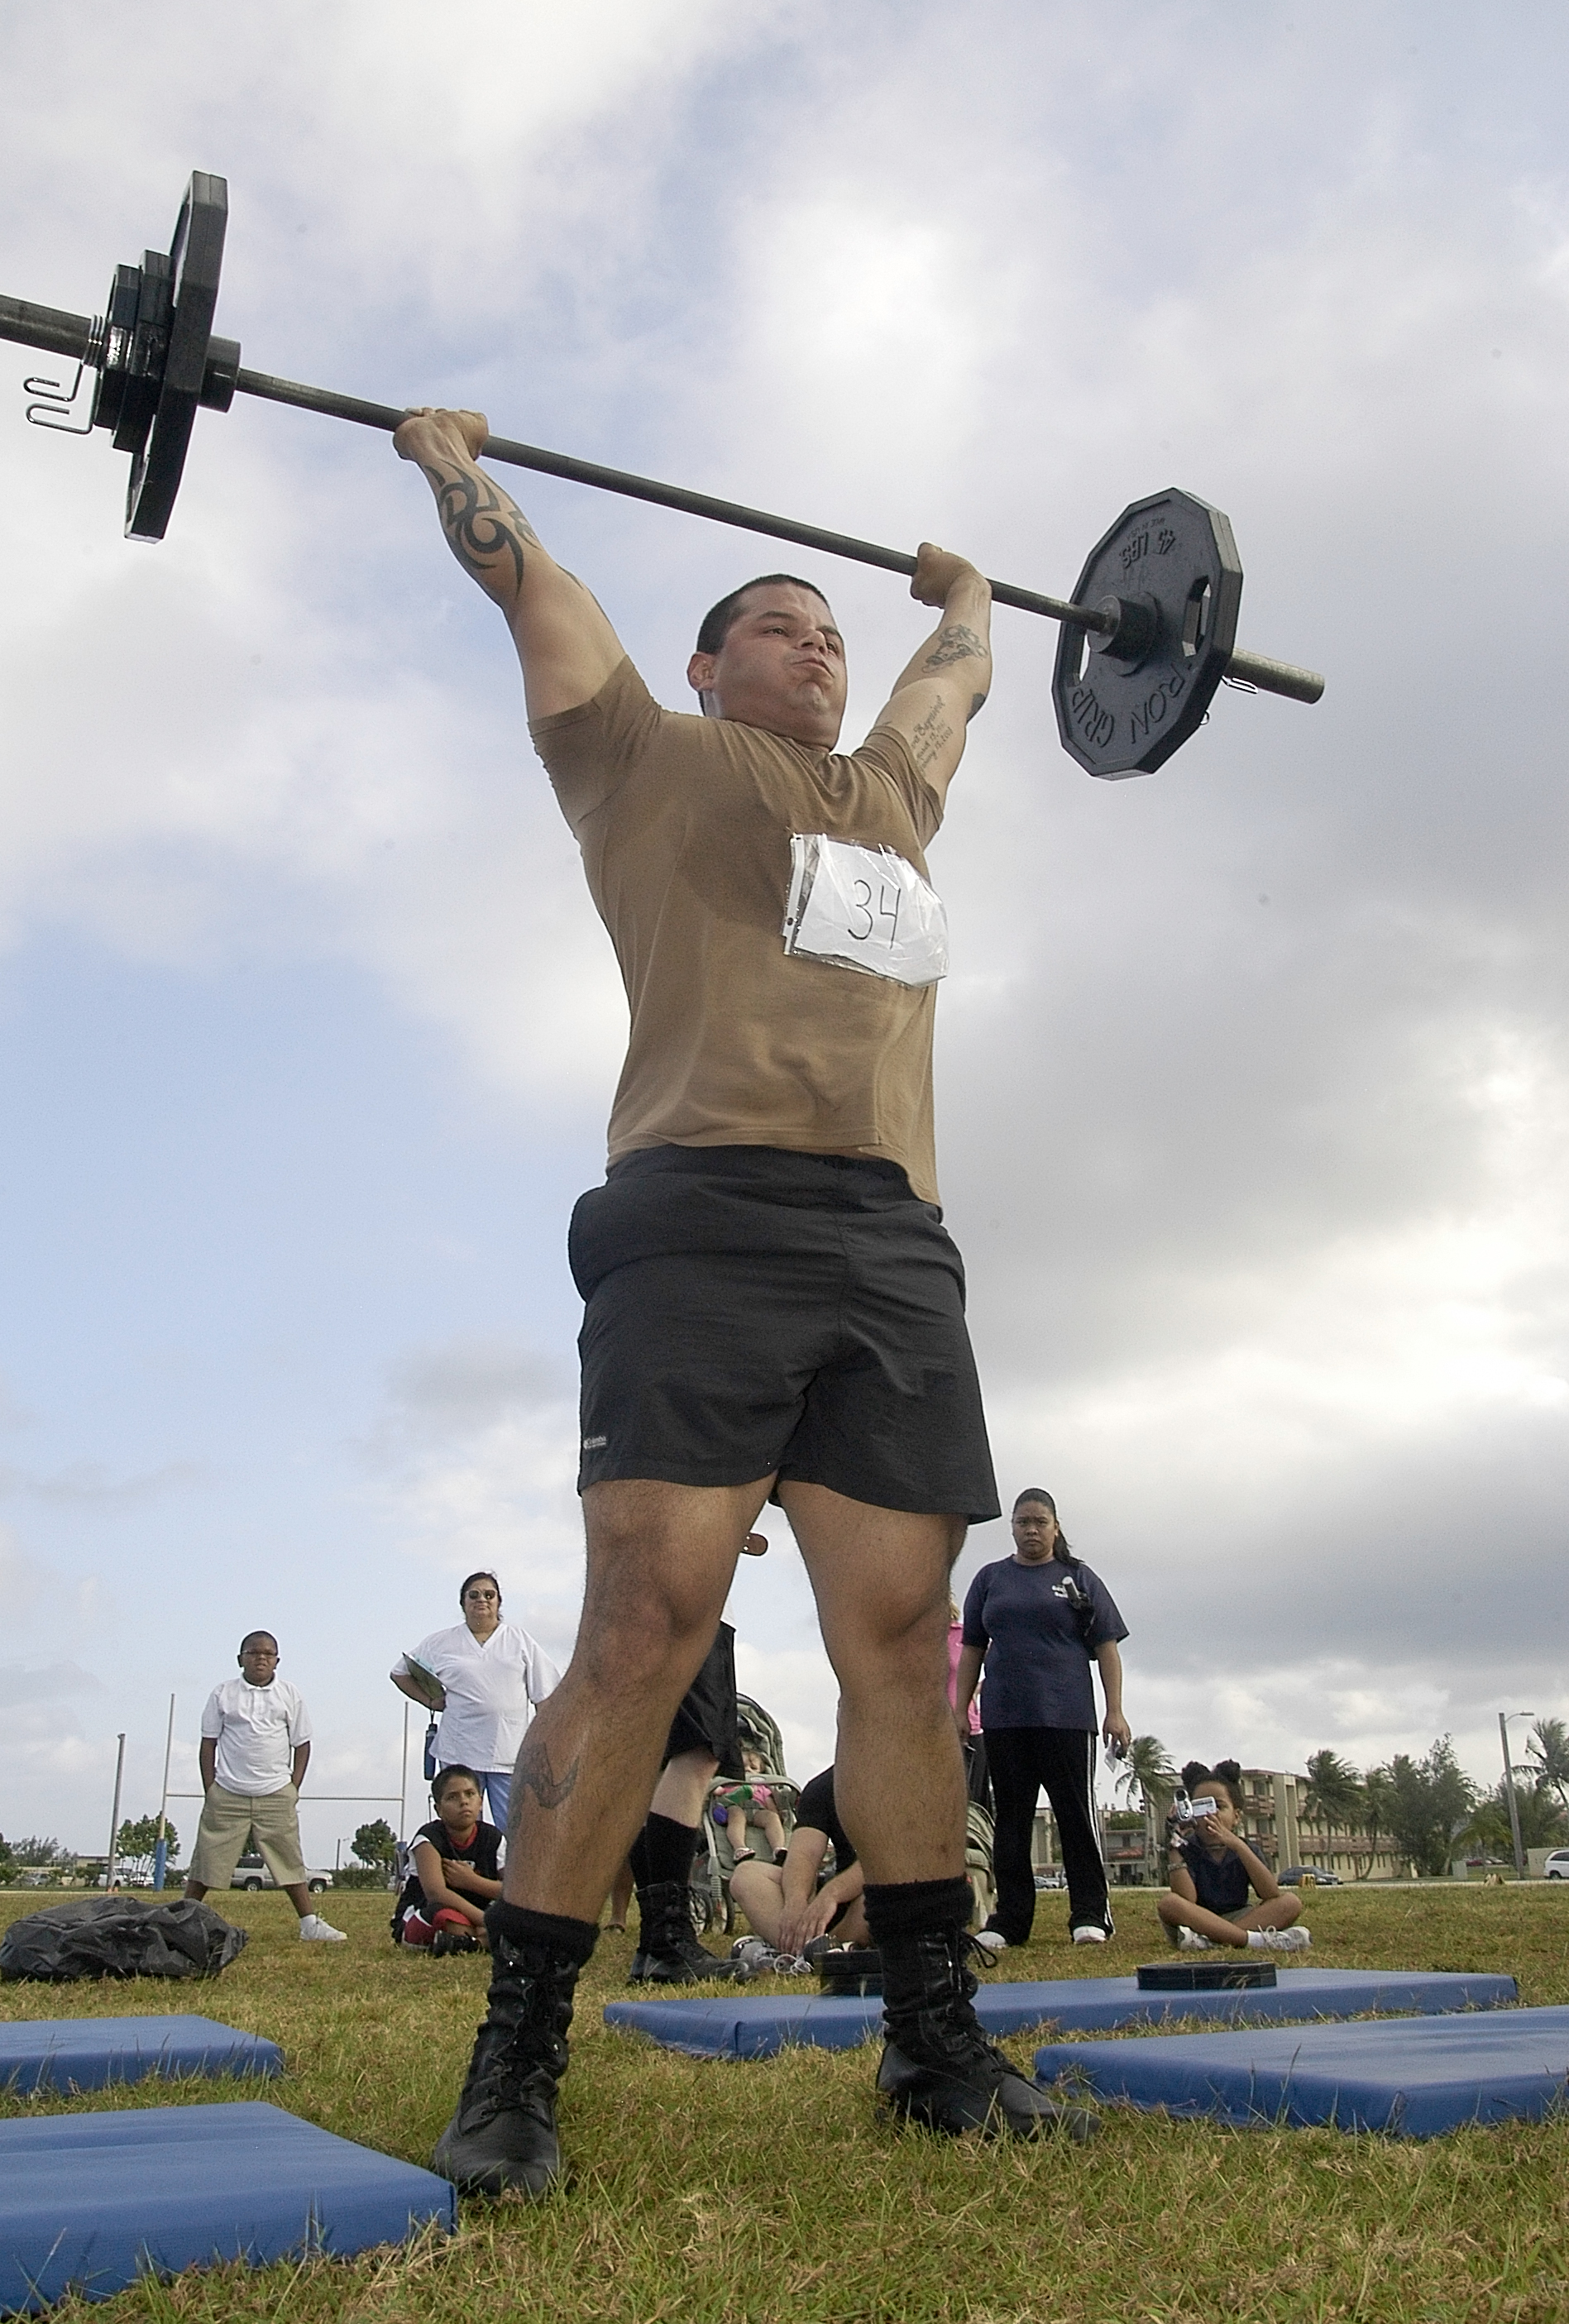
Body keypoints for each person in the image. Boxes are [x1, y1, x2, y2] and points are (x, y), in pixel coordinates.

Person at [393, 404, 1094, 2196]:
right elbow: (530, 591)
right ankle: (519, 2065)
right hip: (697, 1216)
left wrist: (958, 600)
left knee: (895, 1640)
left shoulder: (892, 799)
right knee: (649, 1618)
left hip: (889, 1242)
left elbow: (957, 677)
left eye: (829, 628)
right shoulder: (641, 754)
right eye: (781, 623)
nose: (818, 642)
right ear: (709, 664)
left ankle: (934, 2046)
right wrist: (458, 472)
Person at [955, 1489, 1130, 1951]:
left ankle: (1091, 1915)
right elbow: (972, 1647)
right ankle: (1010, 1920)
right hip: (1006, 1719)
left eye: (1040, 1522)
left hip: (1067, 1717)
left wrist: (1115, 1711)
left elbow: (1108, 1648)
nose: (1031, 1530)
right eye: (1022, 1522)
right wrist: (959, 1710)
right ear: (1012, 1527)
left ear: (1055, 1527)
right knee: (1010, 1821)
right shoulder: (991, 1579)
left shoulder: (1077, 1579)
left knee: (1075, 1817)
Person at [183, 1631, 346, 1941]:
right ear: (240, 1658)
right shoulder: (223, 1693)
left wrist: (292, 1787)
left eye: (268, 1654)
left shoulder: (289, 1694)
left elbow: (302, 1744)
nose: (261, 1658)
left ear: (277, 1661)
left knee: (289, 1859)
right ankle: (180, 1920)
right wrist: (211, 1788)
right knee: (206, 1858)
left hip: (275, 1791)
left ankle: (309, 1924)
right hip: (229, 1791)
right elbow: (208, 1744)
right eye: (253, 1653)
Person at [391, 1572, 562, 1831]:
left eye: (489, 1595)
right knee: (463, 1828)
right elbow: (400, 1672)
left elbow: (546, 1697)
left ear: (498, 1602)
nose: (481, 1599)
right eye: (474, 1595)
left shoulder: (520, 1641)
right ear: (463, 1603)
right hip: (460, 1752)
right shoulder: (441, 1642)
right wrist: (430, 1700)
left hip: (510, 1753)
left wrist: (547, 1746)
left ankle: (508, 1874)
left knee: (517, 1830)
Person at [1158, 1761, 1309, 1952]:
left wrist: (1237, 1845)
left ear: (1236, 1816)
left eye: (1218, 1807)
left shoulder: (1245, 1849)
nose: (1209, 1816)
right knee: (1169, 1904)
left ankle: (1213, 1942)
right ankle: (1255, 1941)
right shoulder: (1186, 1849)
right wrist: (1174, 1846)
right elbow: (1186, 1899)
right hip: (1198, 1920)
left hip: (1240, 1917)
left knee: (1290, 1902)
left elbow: (1270, 1894)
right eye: (1201, 1808)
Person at [729, 1765, 869, 1958]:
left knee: (884, 1891)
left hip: (869, 1893)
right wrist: (796, 1901)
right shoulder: (823, 1787)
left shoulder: (908, 1779)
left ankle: (820, 1951)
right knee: (746, 1876)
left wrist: (833, 1893)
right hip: (831, 1902)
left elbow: (891, 1861)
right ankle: (811, 1950)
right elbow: (804, 1855)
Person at [393, 1764, 505, 1954]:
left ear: (480, 1801)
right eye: (453, 1797)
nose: (464, 1802)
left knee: (519, 1918)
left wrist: (472, 1882)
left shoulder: (493, 1838)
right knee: (444, 1916)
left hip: (478, 1917)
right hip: (431, 1913)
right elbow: (436, 1894)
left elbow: (512, 1891)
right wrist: (487, 1921)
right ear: (438, 1809)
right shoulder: (428, 1839)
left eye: (470, 1794)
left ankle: (471, 1944)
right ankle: (483, 1940)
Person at [715, 1749, 788, 1865]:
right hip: (736, 1807)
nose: (748, 1770)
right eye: (744, 1767)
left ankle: (778, 1849)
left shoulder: (763, 1788)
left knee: (772, 1817)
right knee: (736, 1816)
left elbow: (769, 1804)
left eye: (754, 1768)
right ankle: (740, 1848)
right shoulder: (729, 1783)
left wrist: (777, 1815)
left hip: (758, 1811)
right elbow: (717, 1791)